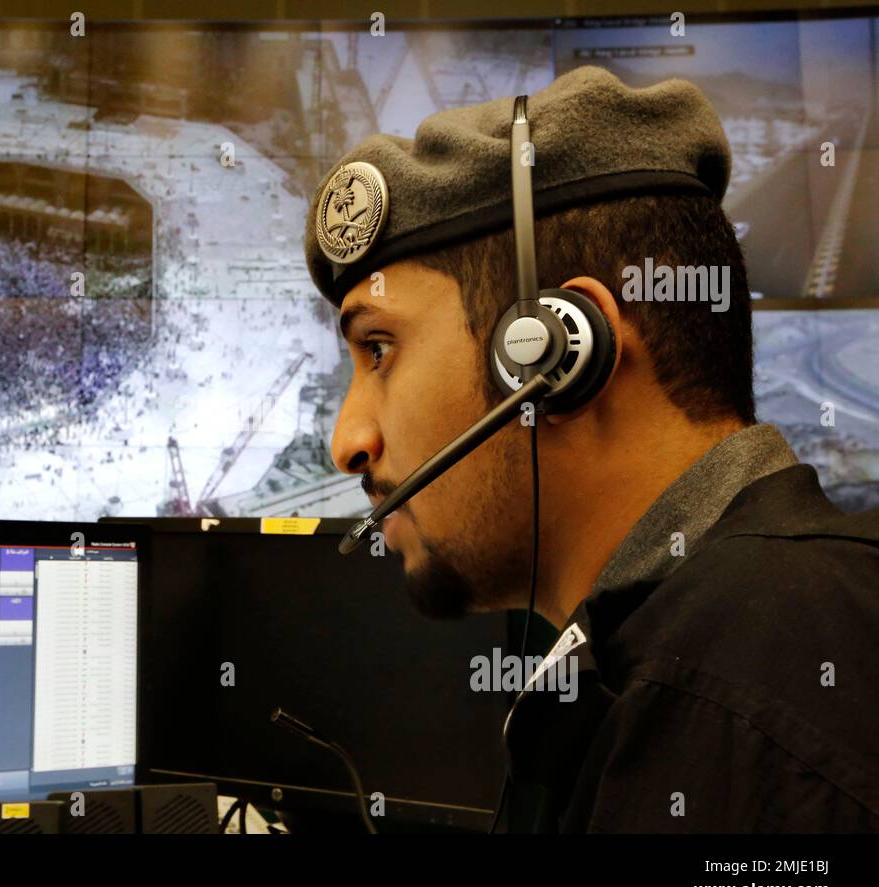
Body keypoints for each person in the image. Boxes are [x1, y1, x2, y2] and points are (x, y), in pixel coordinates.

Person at [305, 66, 879, 832]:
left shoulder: (729, 700)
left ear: (561, 353)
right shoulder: (677, 644)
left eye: (379, 349)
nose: (348, 442)